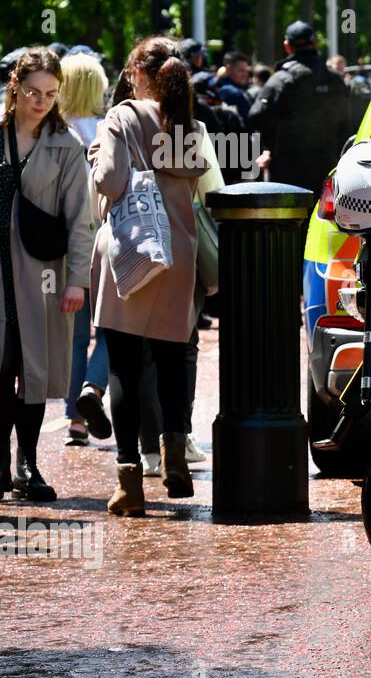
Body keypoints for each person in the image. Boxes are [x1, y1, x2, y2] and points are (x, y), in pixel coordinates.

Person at [89, 36, 216, 516]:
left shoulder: (122, 117)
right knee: (171, 358)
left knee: (123, 364)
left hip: (132, 250)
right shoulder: (191, 126)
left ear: (139, 75)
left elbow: (110, 182)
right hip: (178, 252)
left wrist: (96, 154)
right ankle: (174, 458)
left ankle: (129, 484)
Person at [0, 47, 94, 500]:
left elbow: (82, 219)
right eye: (34, 92)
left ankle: (28, 463)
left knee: (32, 370)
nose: (41, 102)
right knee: (0, 367)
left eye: (51, 94)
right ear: (15, 87)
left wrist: (77, 278)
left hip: (41, 273)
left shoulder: (67, 145)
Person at [58, 52, 113, 447]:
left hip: (65, 245)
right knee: (110, 328)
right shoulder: (106, 129)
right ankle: (93, 388)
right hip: (104, 238)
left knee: (75, 335)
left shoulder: (55, 133)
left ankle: (74, 420)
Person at [247, 21, 353, 199]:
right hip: (329, 166)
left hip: (289, 169)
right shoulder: (336, 80)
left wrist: (270, 146)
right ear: (315, 43)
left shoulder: (281, 79)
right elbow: (349, 121)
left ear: (287, 46)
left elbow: (257, 116)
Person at [215, 51, 252, 122]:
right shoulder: (233, 93)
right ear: (228, 69)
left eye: (246, 71)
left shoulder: (220, 87)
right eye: (241, 71)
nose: (245, 75)